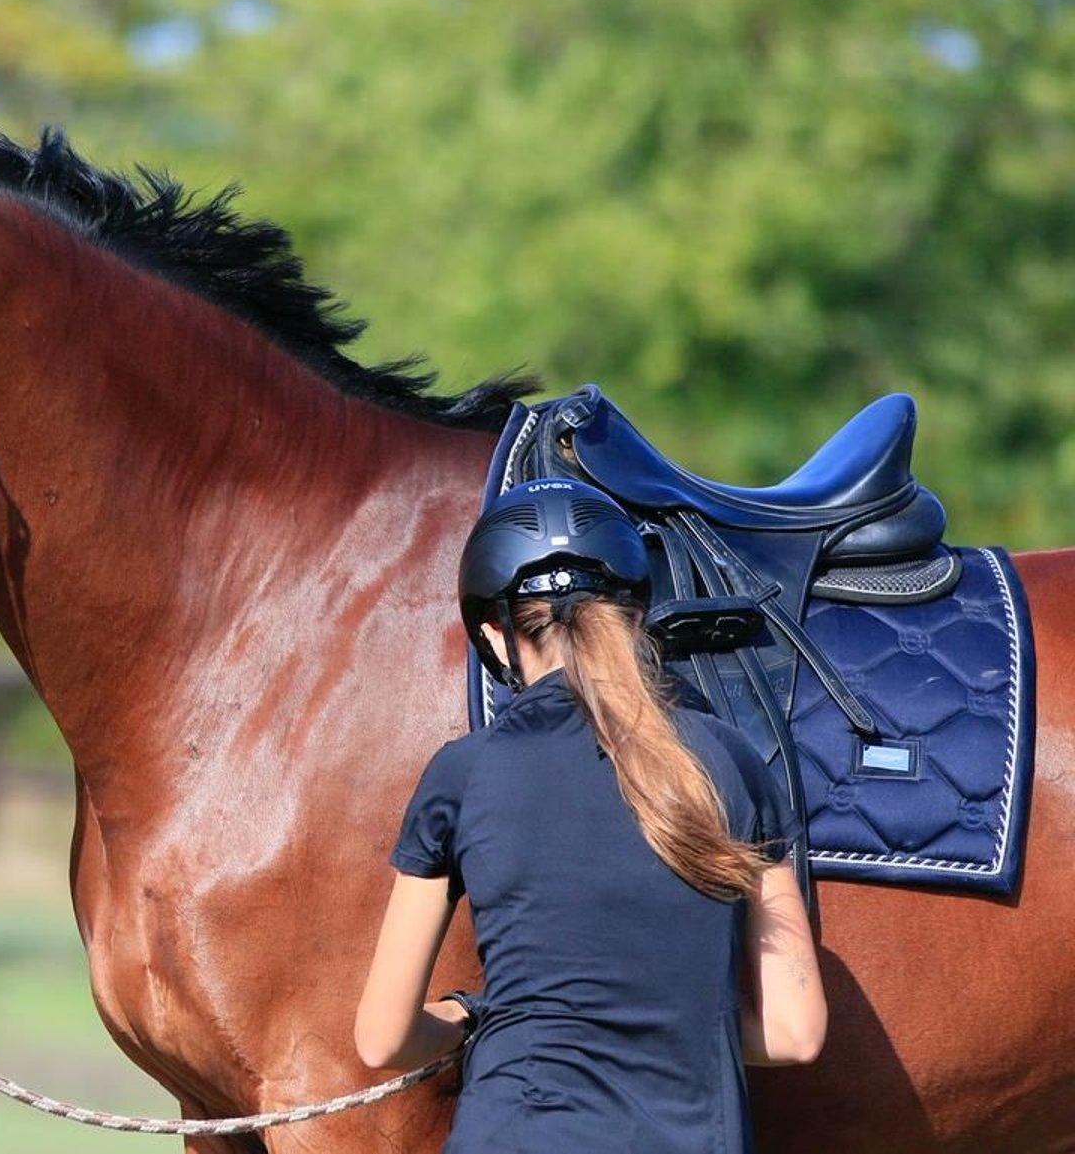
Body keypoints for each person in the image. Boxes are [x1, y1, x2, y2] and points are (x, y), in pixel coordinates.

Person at [354, 478, 826, 1153]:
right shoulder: (732, 759)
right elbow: (794, 1029)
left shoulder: (461, 773)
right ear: (635, 617)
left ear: (495, 636)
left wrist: (476, 1019)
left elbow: (382, 1035)